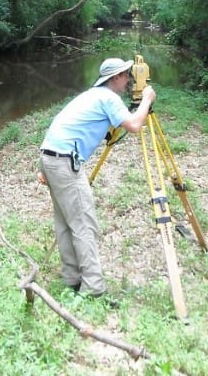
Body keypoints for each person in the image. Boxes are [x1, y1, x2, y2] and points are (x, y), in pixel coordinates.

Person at [38, 57, 156, 299]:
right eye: (125, 75)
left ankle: (72, 278)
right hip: (64, 162)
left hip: (50, 156)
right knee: (83, 222)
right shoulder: (108, 98)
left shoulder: (91, 95)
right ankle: (93, 287)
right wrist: (146, 99)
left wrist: (47, 168)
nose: (129, 79)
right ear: (115, 77)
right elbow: (135, 125)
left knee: (65, 222)